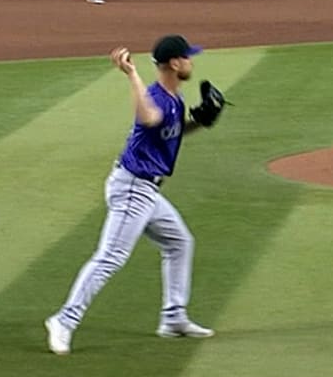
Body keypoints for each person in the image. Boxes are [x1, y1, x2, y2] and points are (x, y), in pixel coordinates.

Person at [44, 35, 216, 355]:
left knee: (179, 242)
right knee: (111, 257)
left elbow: (168, 131)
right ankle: (64, 320)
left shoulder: (174, 99)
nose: (192, 61)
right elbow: (147, 117)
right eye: (188, 57)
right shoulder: (155, 96)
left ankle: (173, 317)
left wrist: (200, 122)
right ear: (175, 63)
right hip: (133, 188)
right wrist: (132, 75)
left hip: (147, 191)